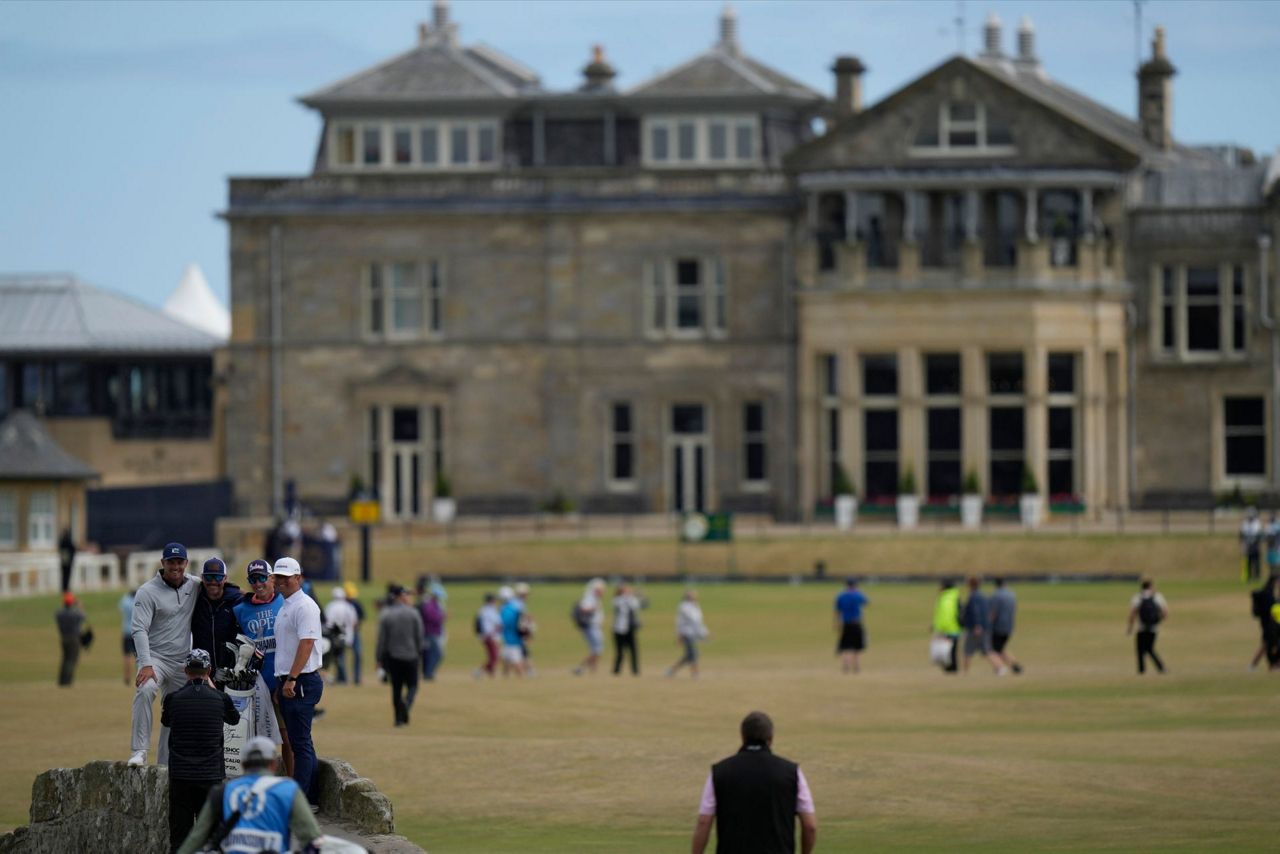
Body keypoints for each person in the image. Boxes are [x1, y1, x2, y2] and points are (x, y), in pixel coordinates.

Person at [691, 711, 817, 854]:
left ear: (743, 736)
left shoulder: (719, 772)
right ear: (771, 738)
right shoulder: (792, 773)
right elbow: (810, 826)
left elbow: (704, 822)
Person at [176, 736, 322, 854]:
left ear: (243, 764)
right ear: (274, 764)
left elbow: (195, 839)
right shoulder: (288, 790)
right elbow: (312, 837)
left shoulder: (221, 792)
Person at [129, 542, 203, 766]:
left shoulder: (195, 585)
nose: (176, 567)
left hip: (182, 661)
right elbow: (138, 628)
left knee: (176, 708)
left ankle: (165, 763)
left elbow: (216, 585)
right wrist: (145, 664)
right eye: (171, 562)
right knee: (146, 690)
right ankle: (139, 751)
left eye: (180, 562)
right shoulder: (147, 591)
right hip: (155, 659)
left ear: (186, 563)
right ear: (163, 563)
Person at [161, 648, 240, 854]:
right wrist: (213, 688)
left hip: (181, 775)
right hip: (210, 774)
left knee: (180, 835)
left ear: (186, 670)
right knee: (213, 836)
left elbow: (166, 720)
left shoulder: (173, 699)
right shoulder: (220, 699)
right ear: (209, 670)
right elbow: (234, 719)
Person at [271, 556, 324, 805]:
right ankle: (309, 799)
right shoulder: (286, 606)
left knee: (300, 744)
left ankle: (301, 801)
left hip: (301, 681)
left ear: (298, 578)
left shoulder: (304, 606)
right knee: (299, 741)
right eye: (277, 577)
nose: (280, 581)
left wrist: (291, 679)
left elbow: (307, 644)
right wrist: (283, 682)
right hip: (290, 681)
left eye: (285, 577)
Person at [232, 559, 288, 772]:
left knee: (287, 739)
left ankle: (290, 789)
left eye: (262, 578)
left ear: (271, 578)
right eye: (253, 579)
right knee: (258, 742)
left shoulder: (285, 601)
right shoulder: (240, 610)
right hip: (255, 687)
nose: (258, 583)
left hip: (282, 682)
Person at [376, 584, 424, 726]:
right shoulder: (414, 613)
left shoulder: (387, 614)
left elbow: (382, 640)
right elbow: (419, 636)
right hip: (411, 655)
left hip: (393, 656)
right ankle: (406, 704)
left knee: (396, 687)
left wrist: (379, 658)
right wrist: (419, 652)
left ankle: (398, 719)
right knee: (413, 685)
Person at [191, 557, 244, 679]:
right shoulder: (194, 600)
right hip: (202, 671)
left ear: (225, 578)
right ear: (202, 578)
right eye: (209, 577)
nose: (213, 581)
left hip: (230, 672)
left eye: (218, 577)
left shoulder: (237, 601)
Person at [960, 576, 1001, 675]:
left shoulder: (974, 596)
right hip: (985, 627)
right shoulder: (984, 595)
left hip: (976, 628)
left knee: (968, 650)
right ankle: (999, 667)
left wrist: (977, 625)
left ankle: (965, 672)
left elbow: (976, 611)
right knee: (987, 650)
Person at [1127, 578, 1168, 675]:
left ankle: (1142, 670)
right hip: (1154, 627)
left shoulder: (1137, 597)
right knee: (1150, 648)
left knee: (1140, 649)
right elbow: (1165, 613)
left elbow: (1133, 613)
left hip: (1141, 627)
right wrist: (1157, 619)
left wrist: (1130, 627)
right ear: (1151, 586)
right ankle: (1161, 668)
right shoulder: (1157, 596)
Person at [667, 589, 709, 678]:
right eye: (693, 595)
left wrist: (704, 633)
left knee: (689, 655)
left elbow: (699, 621)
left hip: (693, 633)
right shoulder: (684, 607)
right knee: (693, 653)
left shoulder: (696, 606)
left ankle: (672, 670)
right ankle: (695, 673)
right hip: (686, 633)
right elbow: (682, 622)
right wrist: (679, 635)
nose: (695, 597)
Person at [323, 586, 359, 684]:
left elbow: (328, 623)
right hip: (348, 636)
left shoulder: (331, 606)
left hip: (336, 636)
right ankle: (352, 678)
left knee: (338, 658)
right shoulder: (349, 607)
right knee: (346, 656)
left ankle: (342, 678)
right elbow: (354, 622)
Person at [987, 578, 1023, 675]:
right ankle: (1015, 666)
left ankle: (1000, 668)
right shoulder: (1012, 595)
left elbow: (993, 613)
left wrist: (987, 623)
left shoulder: (995, 596)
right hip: (1009, 625)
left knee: (992, 649)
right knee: (1000, 648)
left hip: (998, 627)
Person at [833, 578, 868, 674]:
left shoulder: (841, 596)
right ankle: (856, 666)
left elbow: (837, 611)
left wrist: (836, 623)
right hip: (856, 623)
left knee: (845, 646)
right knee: (857, 646)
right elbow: (865, 602)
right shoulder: (858, 594)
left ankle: (846, 666)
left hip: (845, 623)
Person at [572, 578, 606, 676]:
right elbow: (584, 609)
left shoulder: (595, 598)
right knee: (597, 649)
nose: (603, 592)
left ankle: (593, 670)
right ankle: (581, 668)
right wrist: (593, 609)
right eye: (601, 590)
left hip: (595, 626)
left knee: (596, 650)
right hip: (591, 626)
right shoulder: (589, 597)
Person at [612, 581, 645, 676]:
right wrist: (631, 594)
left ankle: (635, 670)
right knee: (620, 652)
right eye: (624, 590)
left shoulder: (631, 599)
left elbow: (642, 605)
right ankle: (616, 670)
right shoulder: (617, 600)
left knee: (633, 650)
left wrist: (640, 595)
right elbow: (623, 605)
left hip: (630, 629)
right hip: (619, 629)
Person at [55, 592, 88, 686]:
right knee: (72, 660)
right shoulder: (75, 614)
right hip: (74, 639)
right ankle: (67, 681)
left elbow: (57, 614)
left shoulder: (59, 613)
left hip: (63, 638)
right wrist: (79, 606)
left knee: (65, 659)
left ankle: (61, 680)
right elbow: (84, 616)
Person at [931, 578, 962, 674]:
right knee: (952, 650)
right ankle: (953, 668)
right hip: (955, 627)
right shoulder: (955, 596)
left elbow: (945, 615)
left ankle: (951, 668)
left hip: (948, 628)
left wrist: (939, 627)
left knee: (948, 650)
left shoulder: (946, 598)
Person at [418, 582, 446, 680]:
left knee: (429, 654)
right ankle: (428, 673)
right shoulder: (429, 604)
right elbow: (430, 617)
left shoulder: (433, 604)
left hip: (432, 632)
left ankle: (427, 673)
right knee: (436, 654)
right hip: (430, 632)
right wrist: (442, 617)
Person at [499, 584, 527, 677]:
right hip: (509, 638)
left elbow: (505, 624)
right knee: (506, 660)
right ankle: (505, 678)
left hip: (512, 639)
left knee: (516, 661)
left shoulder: (508, 609)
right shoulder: (515, 607)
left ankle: (523, 679)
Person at [472, 593, 501, 679]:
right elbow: (487, 625)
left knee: (494, 656)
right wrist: (490, 634)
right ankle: (479, 672)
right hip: (489, 636)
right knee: (494, 656)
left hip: (492, 636)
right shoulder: (486, 611)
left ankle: (491, 673)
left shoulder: (490, 610)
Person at [343, 581, 365, 685]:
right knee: (341, 655)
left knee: (357, 653)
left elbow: (362, 616)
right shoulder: (342, 604)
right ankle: (342, 677)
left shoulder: (357, 604)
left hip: (355, 633)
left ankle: (357, 677)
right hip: (343, 633)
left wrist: (357, 624)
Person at [119, 588, 137, 685]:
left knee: (127, 656)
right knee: (139, 656)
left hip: (126, 631)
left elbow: (120, 607)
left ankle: (127, 677)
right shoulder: (138, 602)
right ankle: (139, 676)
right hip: (137, 631)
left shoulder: (126, 602)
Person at [1240, 507, 1263, 582]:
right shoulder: (1245, 523)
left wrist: (1258, 543)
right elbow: (1242, 535)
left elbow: (1259, 535)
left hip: (1255, 545)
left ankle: (1257, 576)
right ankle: (1249, 576)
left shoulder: (1257, 523)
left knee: (1256, 561)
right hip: (1248, 545)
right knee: (1249, 561)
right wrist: (1243, 545)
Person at [58, 527, 76, 594]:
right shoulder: (68, 540)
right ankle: (66, 588)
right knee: (67, 575)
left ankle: (64, 588)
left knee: (64, 575)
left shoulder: (62, 540)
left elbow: (60, 549)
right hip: (67, 560)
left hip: (64, 560)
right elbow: (73, 549)